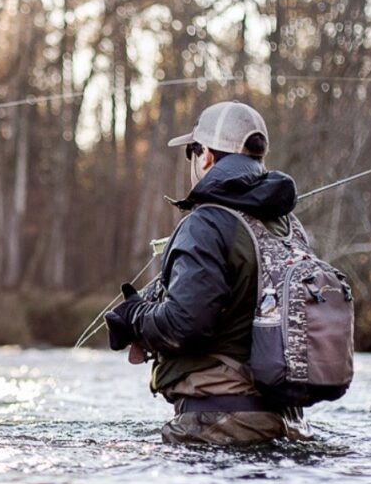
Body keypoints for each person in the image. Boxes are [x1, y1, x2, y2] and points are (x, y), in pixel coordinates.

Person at [105, 101, 310, 447]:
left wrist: (134, 317)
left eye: (191, 151)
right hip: (287, 424)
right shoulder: (290, 228)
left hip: (217, 426)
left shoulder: (206, 224)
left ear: (207, 157)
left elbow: (185, 322)